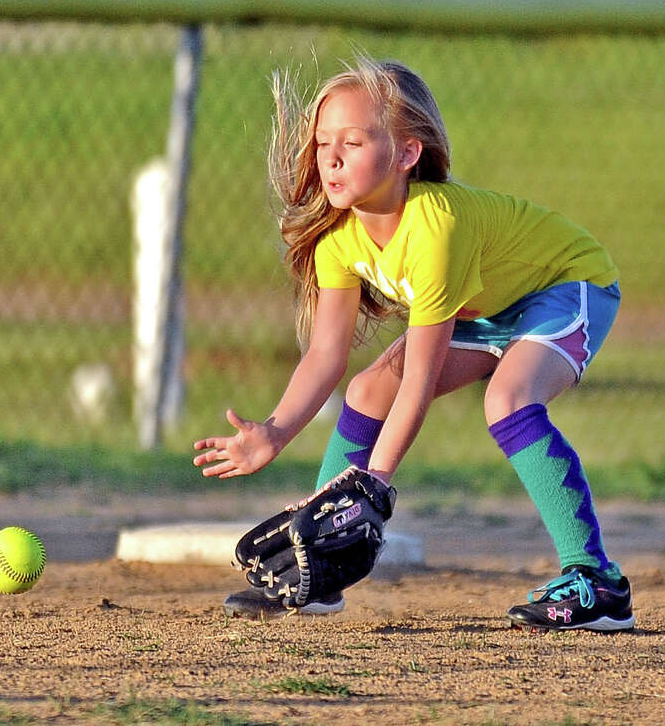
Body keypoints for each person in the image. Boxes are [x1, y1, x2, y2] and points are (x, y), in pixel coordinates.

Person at [193, 57, 634, 632]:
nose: (331, 157)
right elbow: (326, 355)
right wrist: (273, 434)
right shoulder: (339, 239)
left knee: (507, 400)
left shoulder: (435, 228)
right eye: (324, 141)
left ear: (406, 154)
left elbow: (420, 382)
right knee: (369, 387)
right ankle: (320, 575)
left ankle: (596, 581)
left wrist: (373, 483)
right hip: (490, 304)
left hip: (567, 284)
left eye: (352, 141)